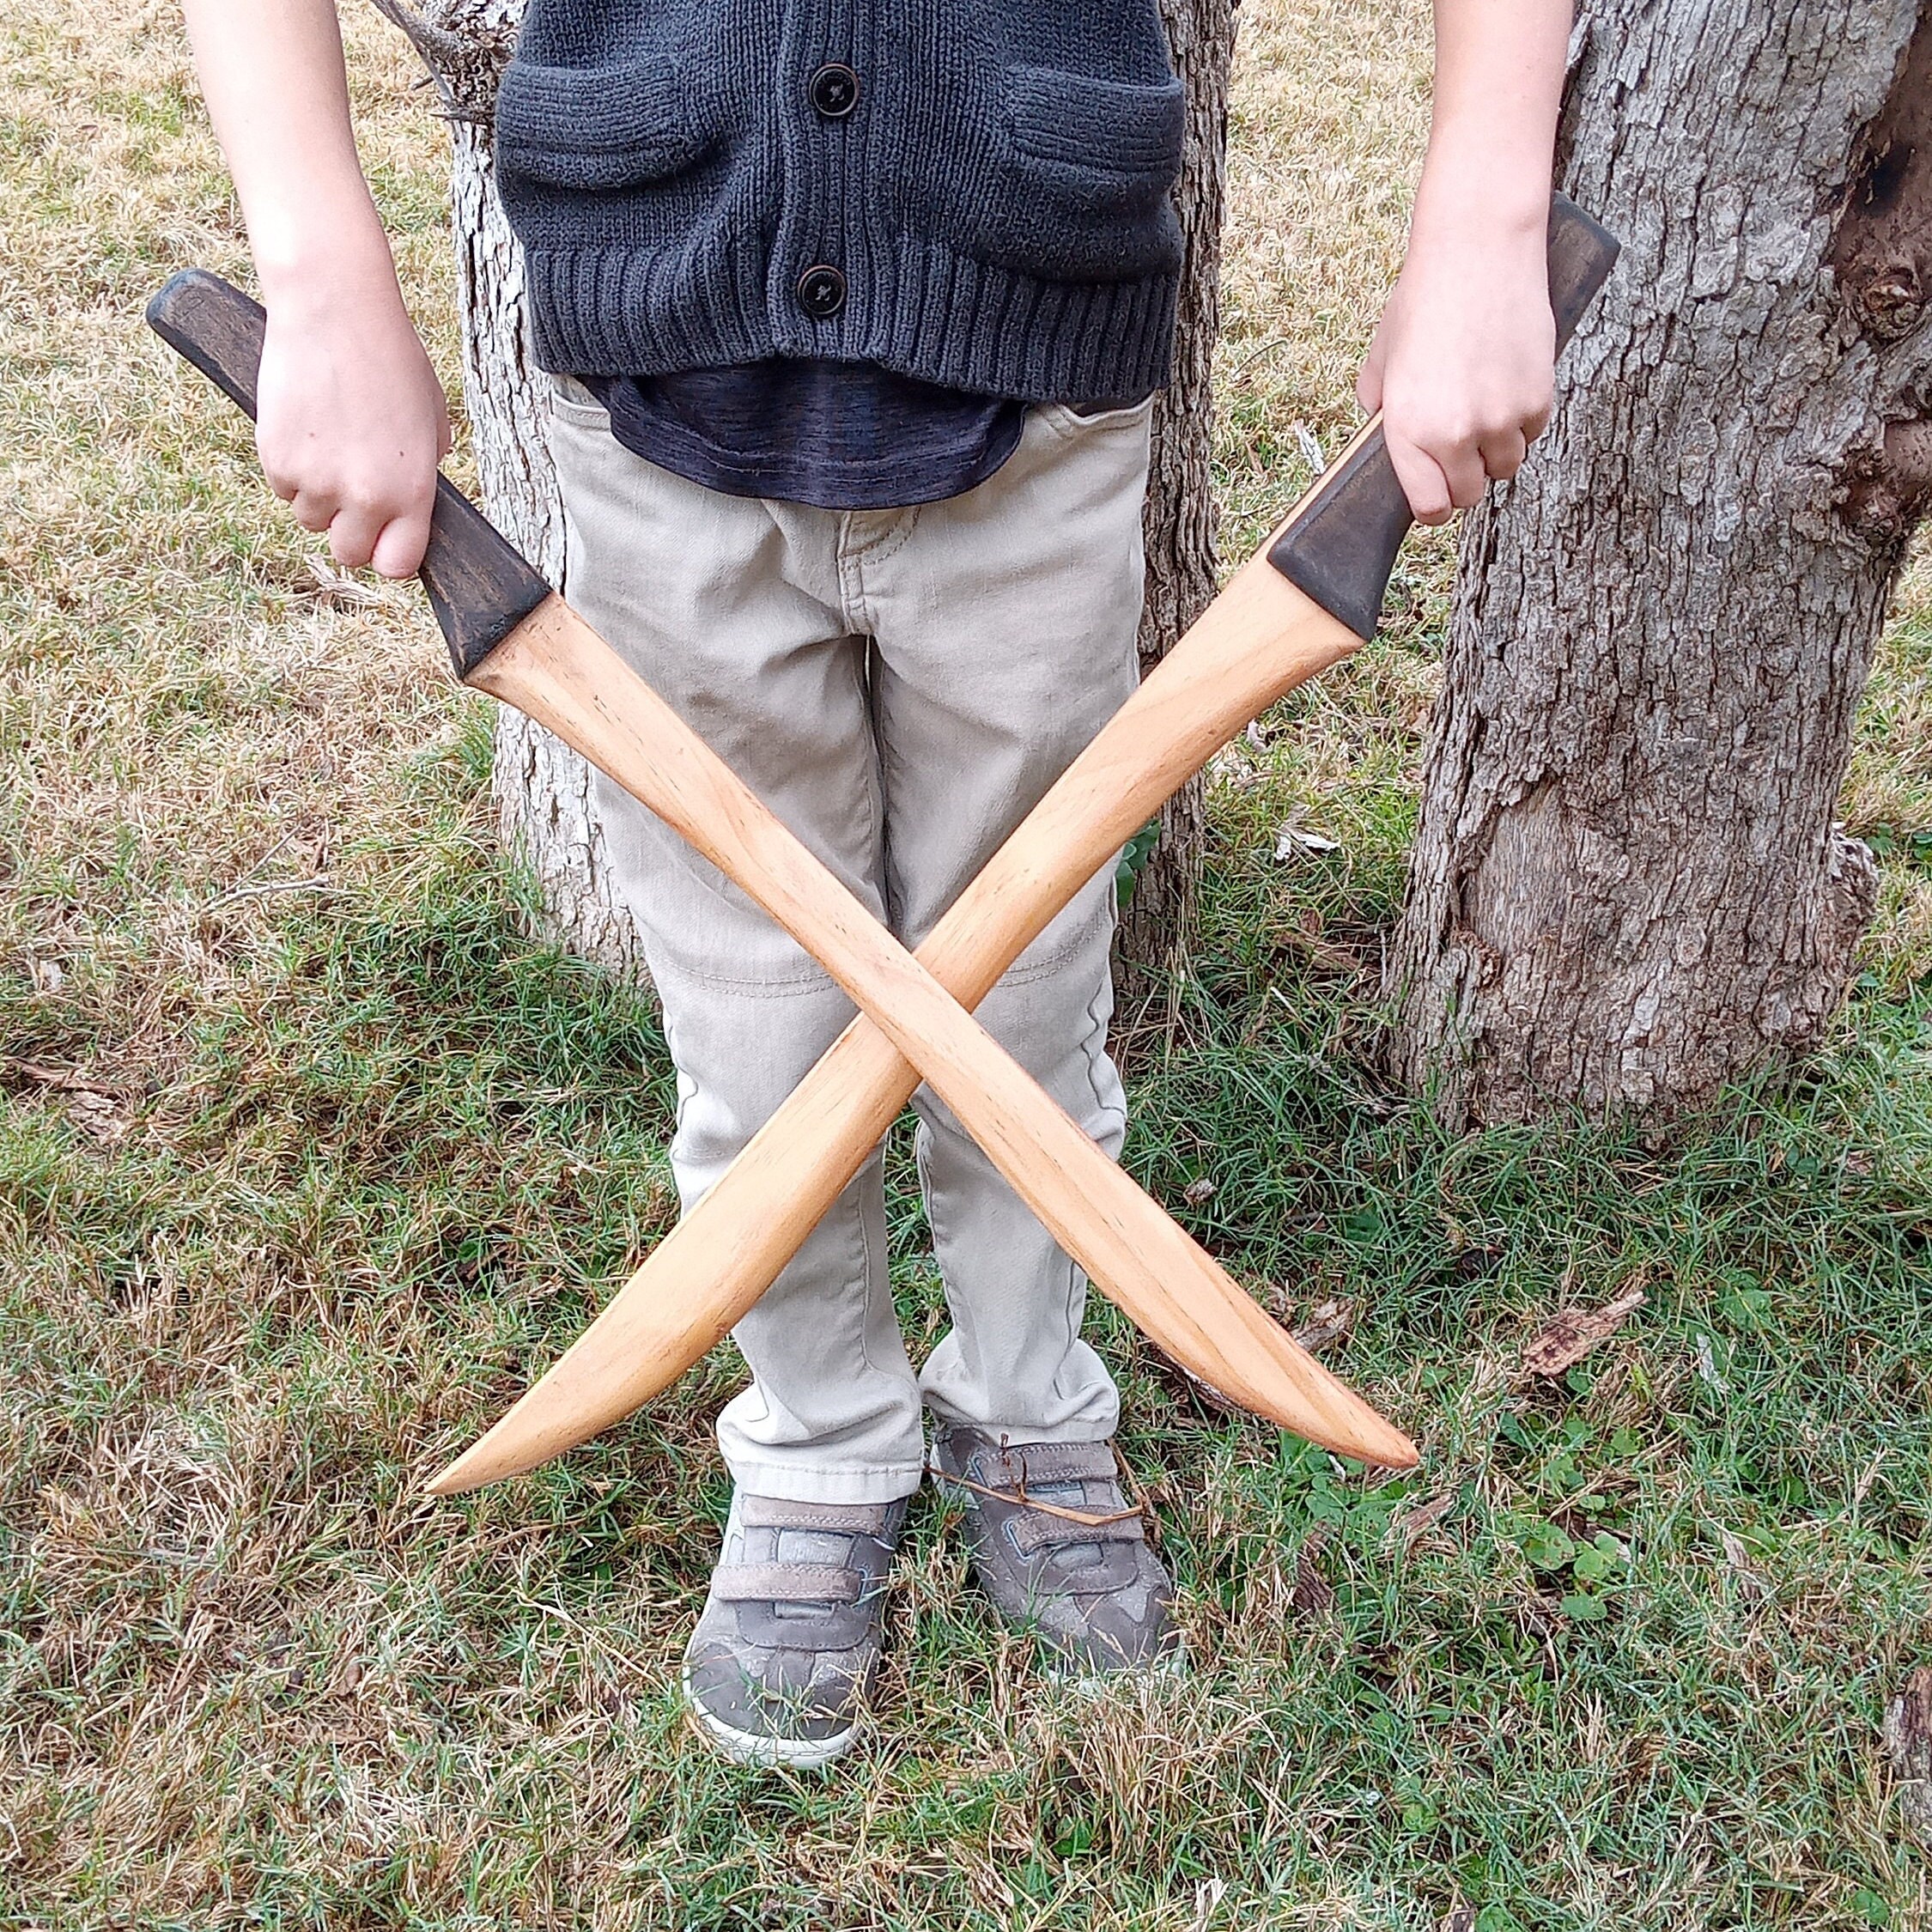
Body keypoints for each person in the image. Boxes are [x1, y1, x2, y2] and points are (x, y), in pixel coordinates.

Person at [180, 0, 1569, 1769]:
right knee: (760, 1036)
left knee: (1027, 992)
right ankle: (824, 1443)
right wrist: (316, 277)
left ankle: (1026, 1410)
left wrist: (1483, 217)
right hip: (655, 382)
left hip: (1035, 380)